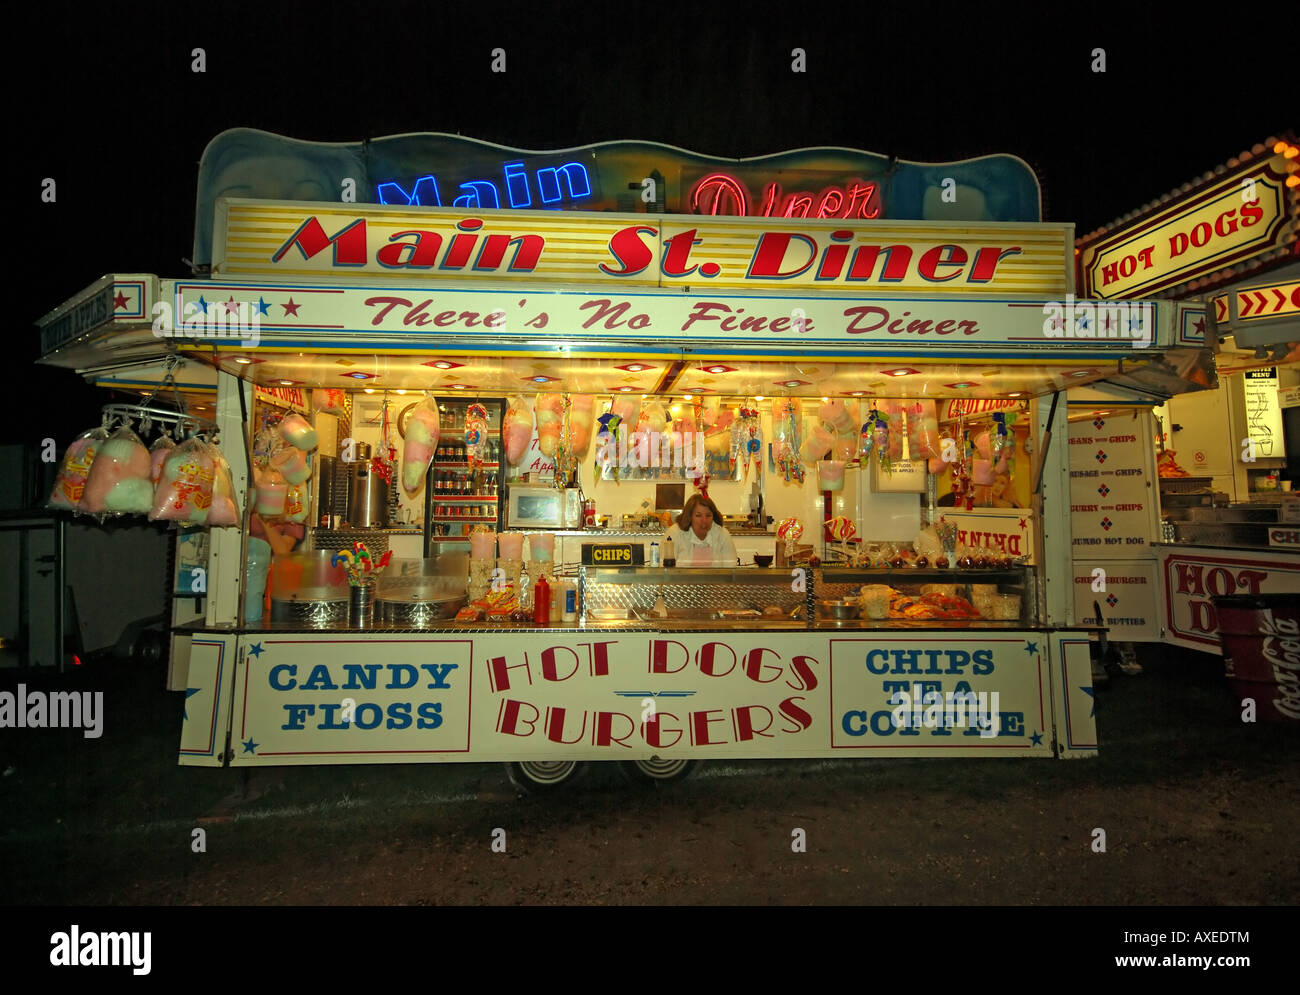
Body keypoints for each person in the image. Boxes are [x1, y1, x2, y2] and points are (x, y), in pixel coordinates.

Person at [666, 493, 737, 566]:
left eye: (708, 515)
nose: (704, 520)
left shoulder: (722, 534)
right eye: (698, 515)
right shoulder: (674, 534)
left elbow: (731, 569)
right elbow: (664, 570)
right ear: (689, 516)